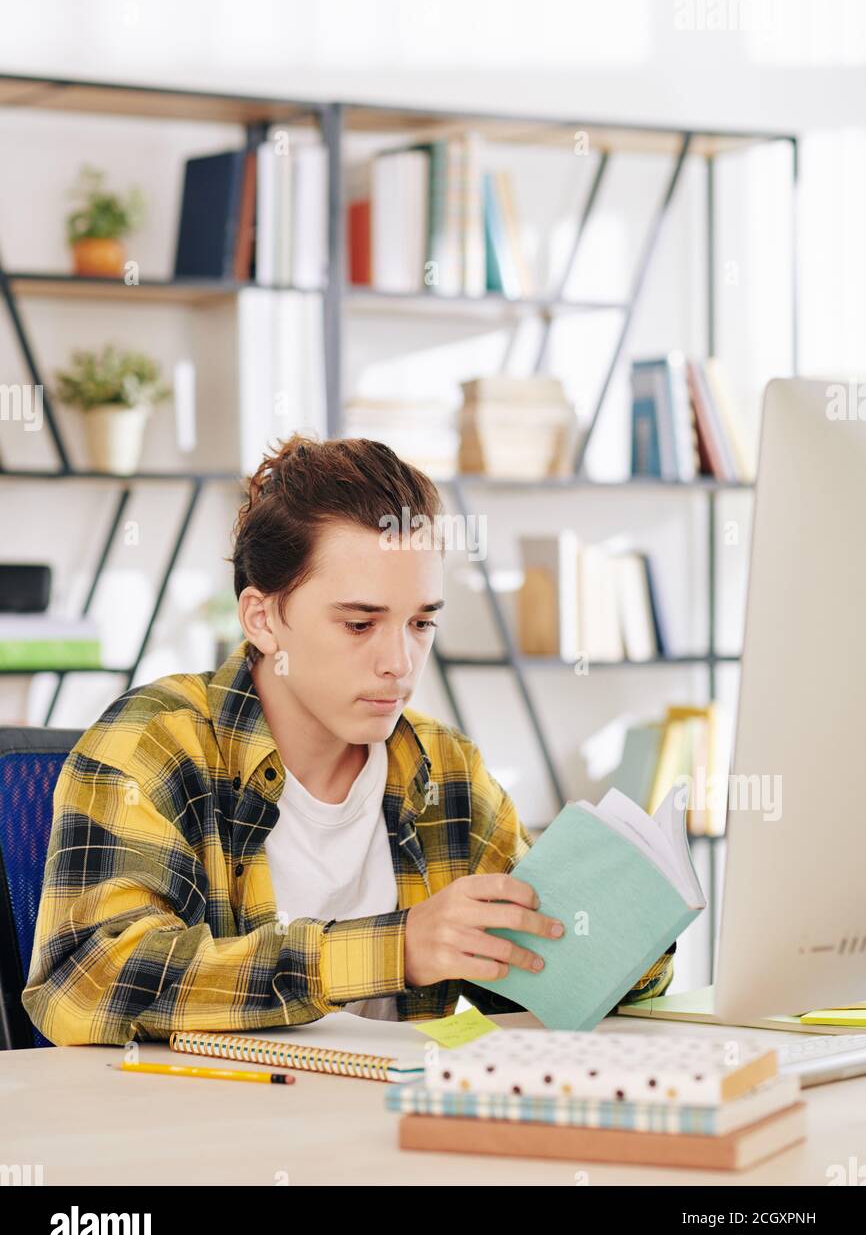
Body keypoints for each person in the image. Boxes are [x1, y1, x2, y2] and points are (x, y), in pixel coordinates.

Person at [23, 434, 674, 1045]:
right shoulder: (154, 741)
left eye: (421, 623)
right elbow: (84, 982)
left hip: (398, 1132)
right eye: (361, 625)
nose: (400, 662)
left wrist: (635, 925)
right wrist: (394, 949)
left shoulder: (442, 767)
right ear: (263, 618)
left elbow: (544, 980)